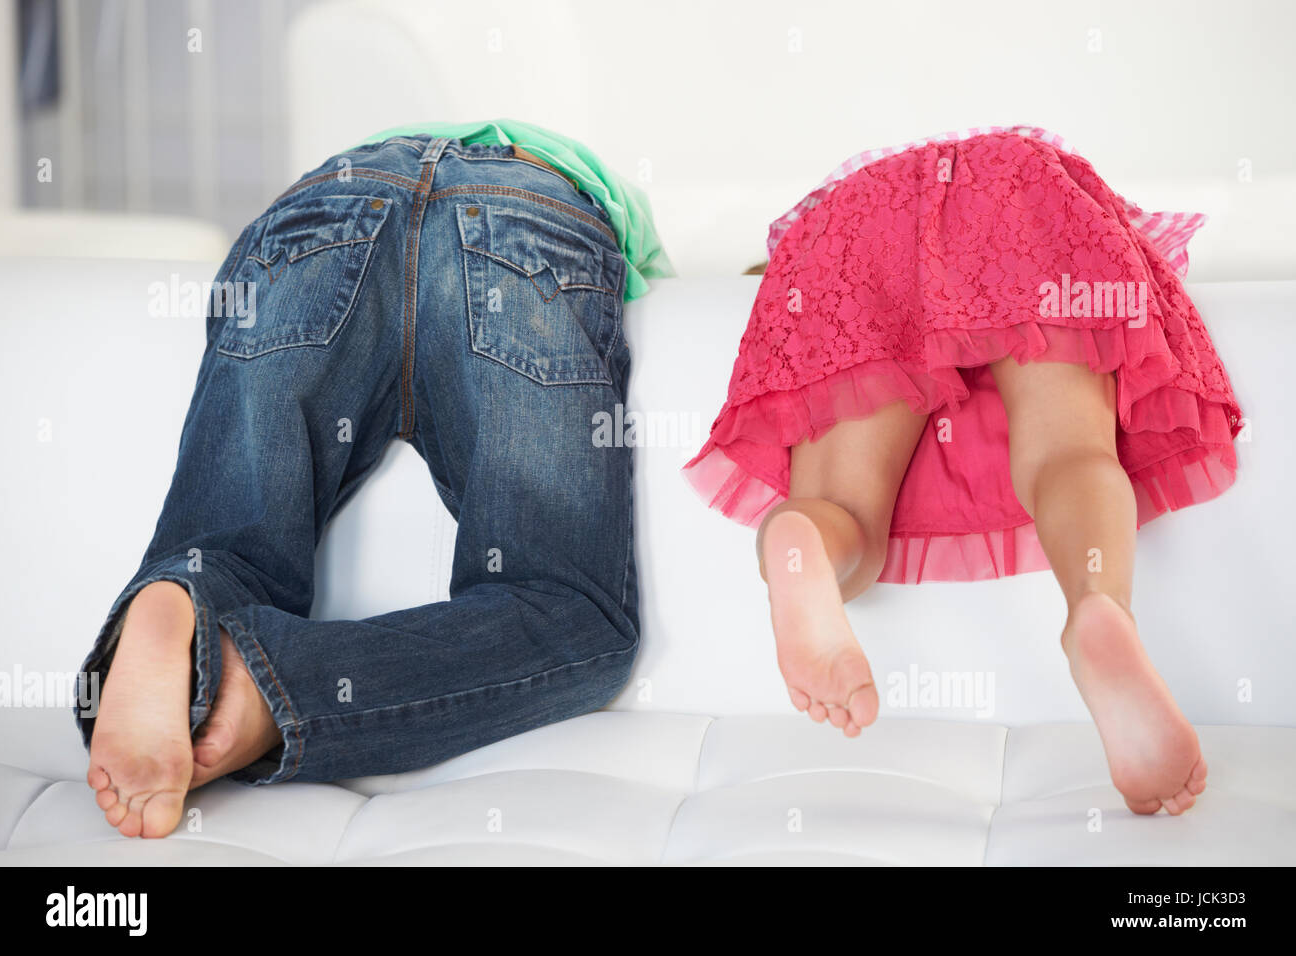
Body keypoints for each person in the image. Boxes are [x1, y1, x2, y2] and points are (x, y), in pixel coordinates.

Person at [75, 120, 672, 838]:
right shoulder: (594, 182)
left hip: (329, 204)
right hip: (528, 215)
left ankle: (183, 595)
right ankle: (277, 687)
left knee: (222, 543)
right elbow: (651, 284)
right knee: (569, 606)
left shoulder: (373, 152)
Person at [684, 126, 1241, 816]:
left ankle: (803, 540)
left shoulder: (832, 215)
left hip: (852, 225)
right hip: (1020, 187)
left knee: (844, 510)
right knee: (1070, 453)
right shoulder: (1021, 168)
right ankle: (1098, 605)